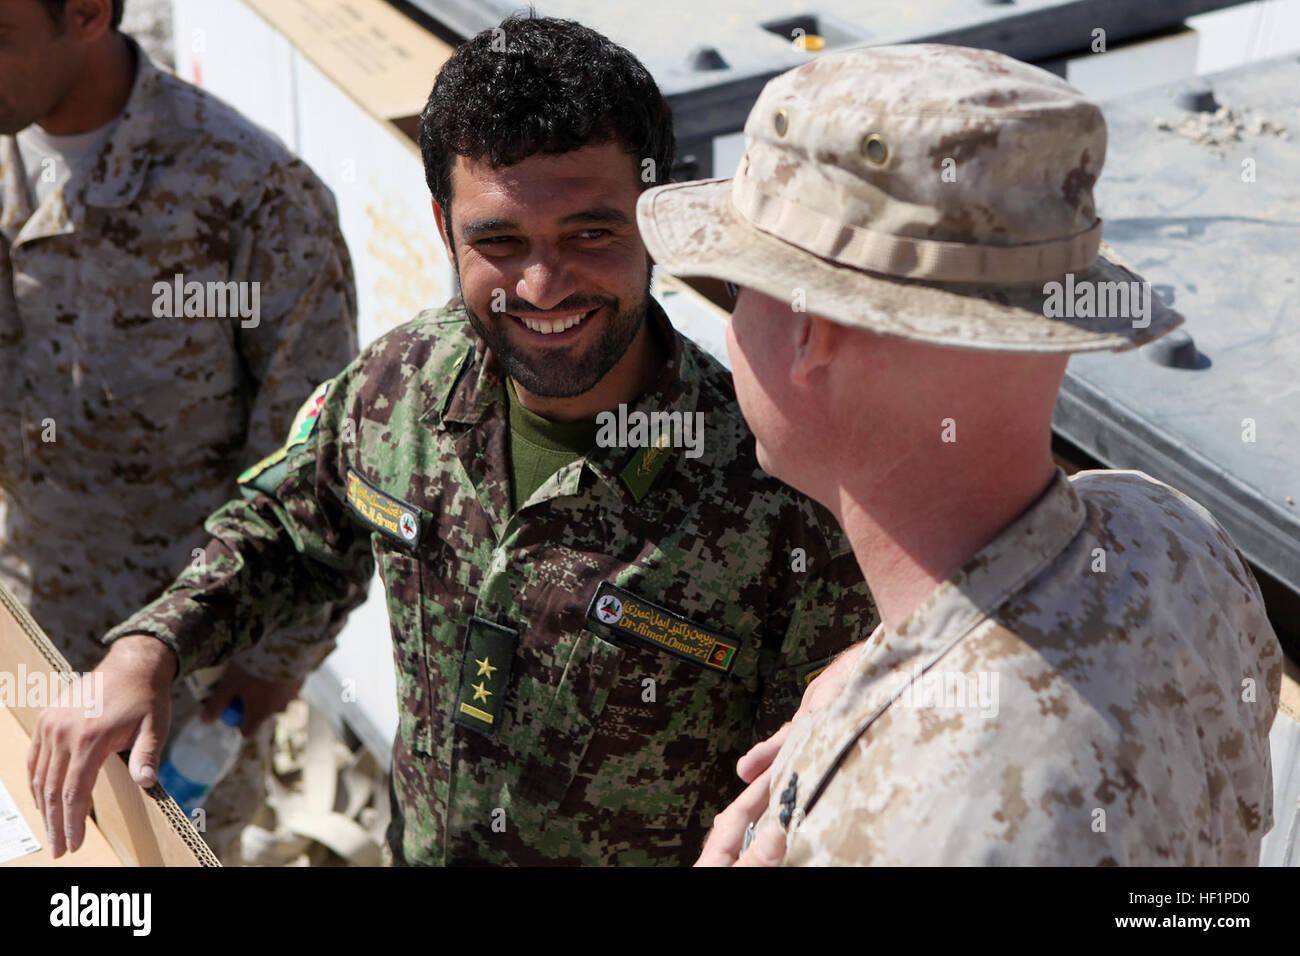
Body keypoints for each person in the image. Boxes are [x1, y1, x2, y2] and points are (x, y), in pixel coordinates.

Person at [28, 13, 877, 866]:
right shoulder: (401, 384)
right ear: (444, 229)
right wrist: (153, 647)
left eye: (591, 233)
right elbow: (291, 532)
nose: (543, 287)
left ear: (653, 218)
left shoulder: (778, 494)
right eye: (500, 242)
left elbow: (820, 792)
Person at [637, 43, 1283, 865]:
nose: (731, 330)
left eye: (738, 289)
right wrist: (876, 675)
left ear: (811, 331)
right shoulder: (1173, 536)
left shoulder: (896, 828)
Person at [2, 0, 361, 862]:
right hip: (29, 630)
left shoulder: (251, 196)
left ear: (86, 14)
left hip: (185, 684)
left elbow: (323, 468)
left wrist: (277, 664)